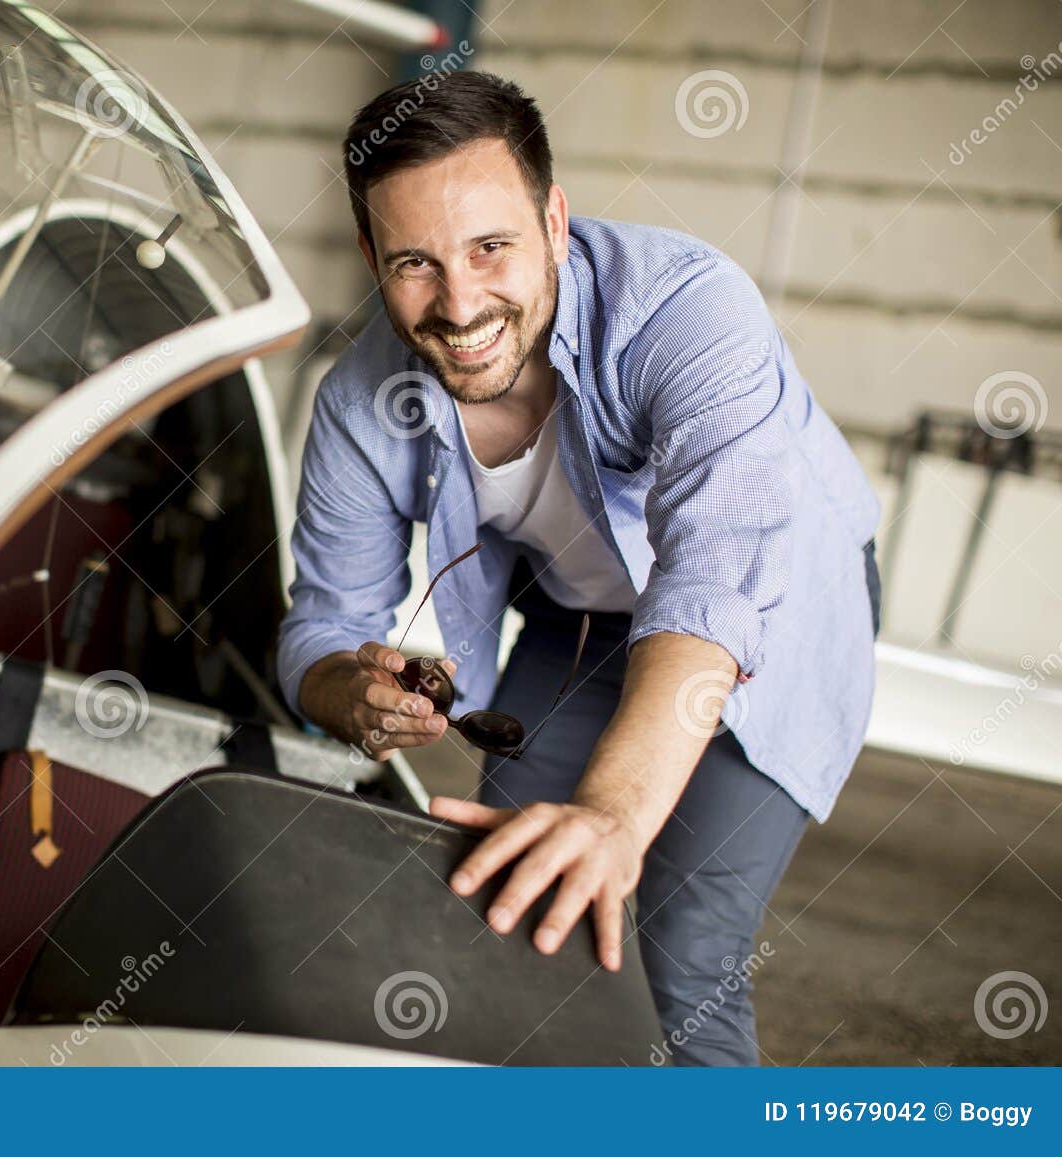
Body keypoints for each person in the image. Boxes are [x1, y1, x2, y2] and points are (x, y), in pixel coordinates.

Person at [276, 71, 881, 1066]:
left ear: (553, 220)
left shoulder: (686, 309)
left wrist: (611, 814)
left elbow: (714, 586)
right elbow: (321, 624)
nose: (459, 301)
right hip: (581, 617)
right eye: (415, 262)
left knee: (675, 952)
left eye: (489, 247)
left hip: (771, 607)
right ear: (369, 256)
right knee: (507, 901)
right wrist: (349, 688)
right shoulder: (358, 399)